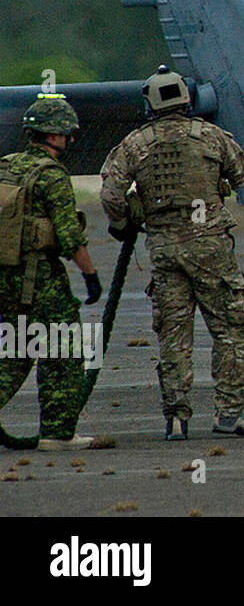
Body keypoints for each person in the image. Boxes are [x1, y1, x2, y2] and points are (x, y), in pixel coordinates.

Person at [101, 67, 244, 440]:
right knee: (230, 330)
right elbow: (241, 177)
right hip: (210, 248)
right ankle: (228, 415)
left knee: (173, 336)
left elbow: (111, 195)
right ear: (186, 100)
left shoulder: (134, 144)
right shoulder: (211, 136)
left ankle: (176, 418)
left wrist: (129, 218)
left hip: (164, 248)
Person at [0, 94, 100, 450]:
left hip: (5, 279)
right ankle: (58, 434)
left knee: (14, 352)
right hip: (38, 278)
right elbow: (70, 236)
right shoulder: (51, 176)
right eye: (67, 133)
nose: (70, 139)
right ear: (54, 136)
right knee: (64, 351)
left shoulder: (7, 165)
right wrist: (90, 276)